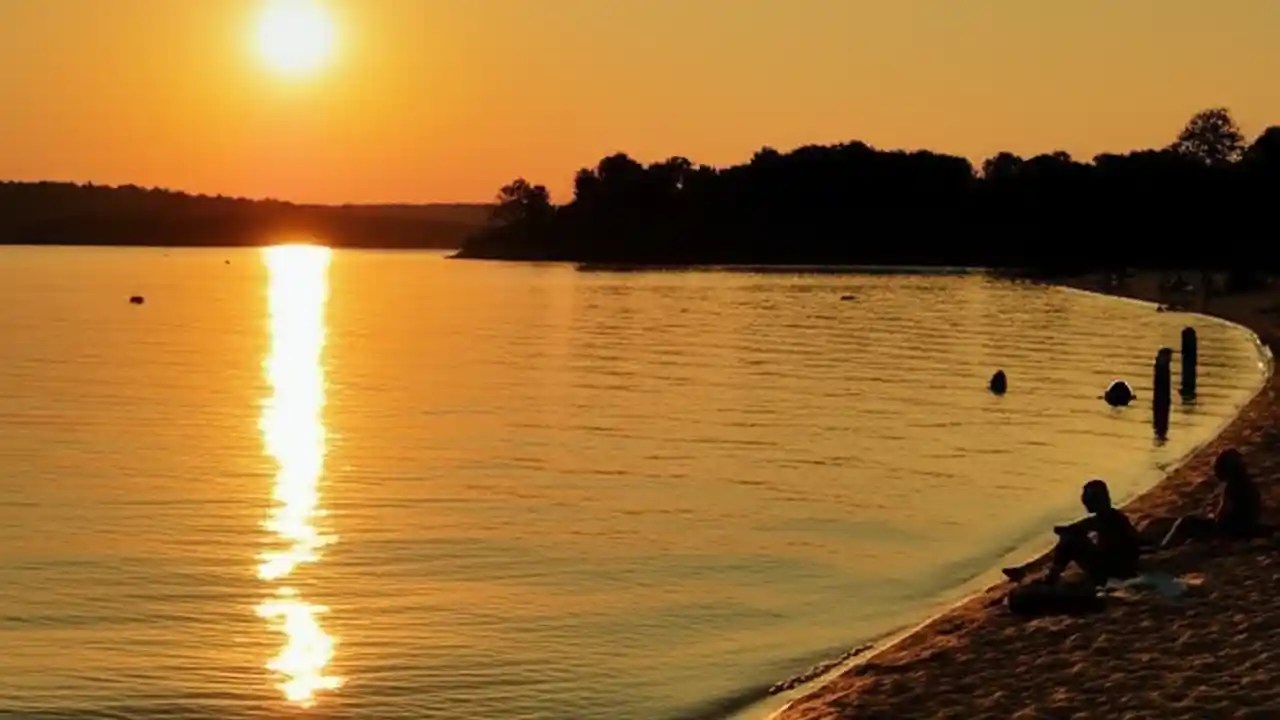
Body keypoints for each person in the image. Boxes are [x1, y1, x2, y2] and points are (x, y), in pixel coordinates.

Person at [1003, 479, 1140, 586]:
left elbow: (1077, 528)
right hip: (1116, 566)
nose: (1085, 501)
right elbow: (1082, 525)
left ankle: (1052, 577)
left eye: (1088, 498)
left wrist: (1066, 531)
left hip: (1111, 570)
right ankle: (1037, 570)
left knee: (1069, 539)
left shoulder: (1108, 519)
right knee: (1069, 537)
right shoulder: (1111, 516)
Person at [1161, 448, 1263, 547]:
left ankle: (1165, 547)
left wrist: (1213, 518)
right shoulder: (1248, 484)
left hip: (1230, 531)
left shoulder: (1232, 488)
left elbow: (1223, 514)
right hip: (1246, 527)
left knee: (1186, 522)